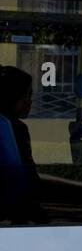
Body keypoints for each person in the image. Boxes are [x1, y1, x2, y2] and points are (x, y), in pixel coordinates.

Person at [0, 66, 47, 224]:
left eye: (30, 95)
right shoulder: (14, 128)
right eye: (25, 95)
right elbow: (27, 177)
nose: (29, 102)